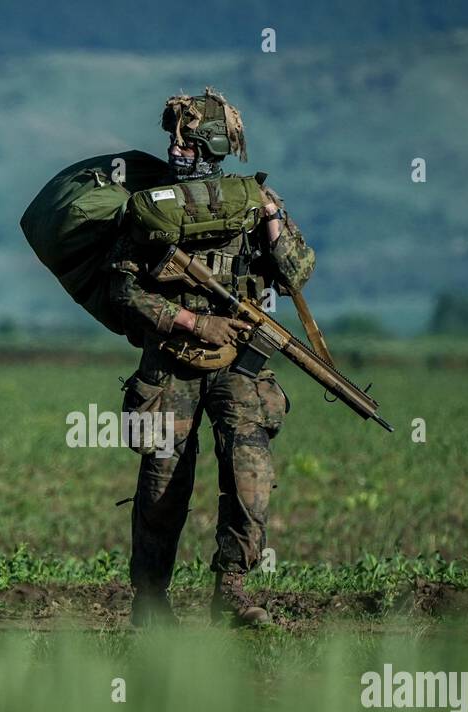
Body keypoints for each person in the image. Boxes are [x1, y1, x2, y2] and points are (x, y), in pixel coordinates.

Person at [106, 87, 315, 627]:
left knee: (251, 476)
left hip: (240, 358)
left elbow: (295, 275)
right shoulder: (152, 210)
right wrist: (195, 321)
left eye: (187, 139)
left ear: (212, 146)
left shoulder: (253, 202)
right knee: (162, 484)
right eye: (173, 137)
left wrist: (271, 218)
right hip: (172, 359)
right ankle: (150, 605)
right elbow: (125, 291)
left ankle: (234, 591)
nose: (175, 148)